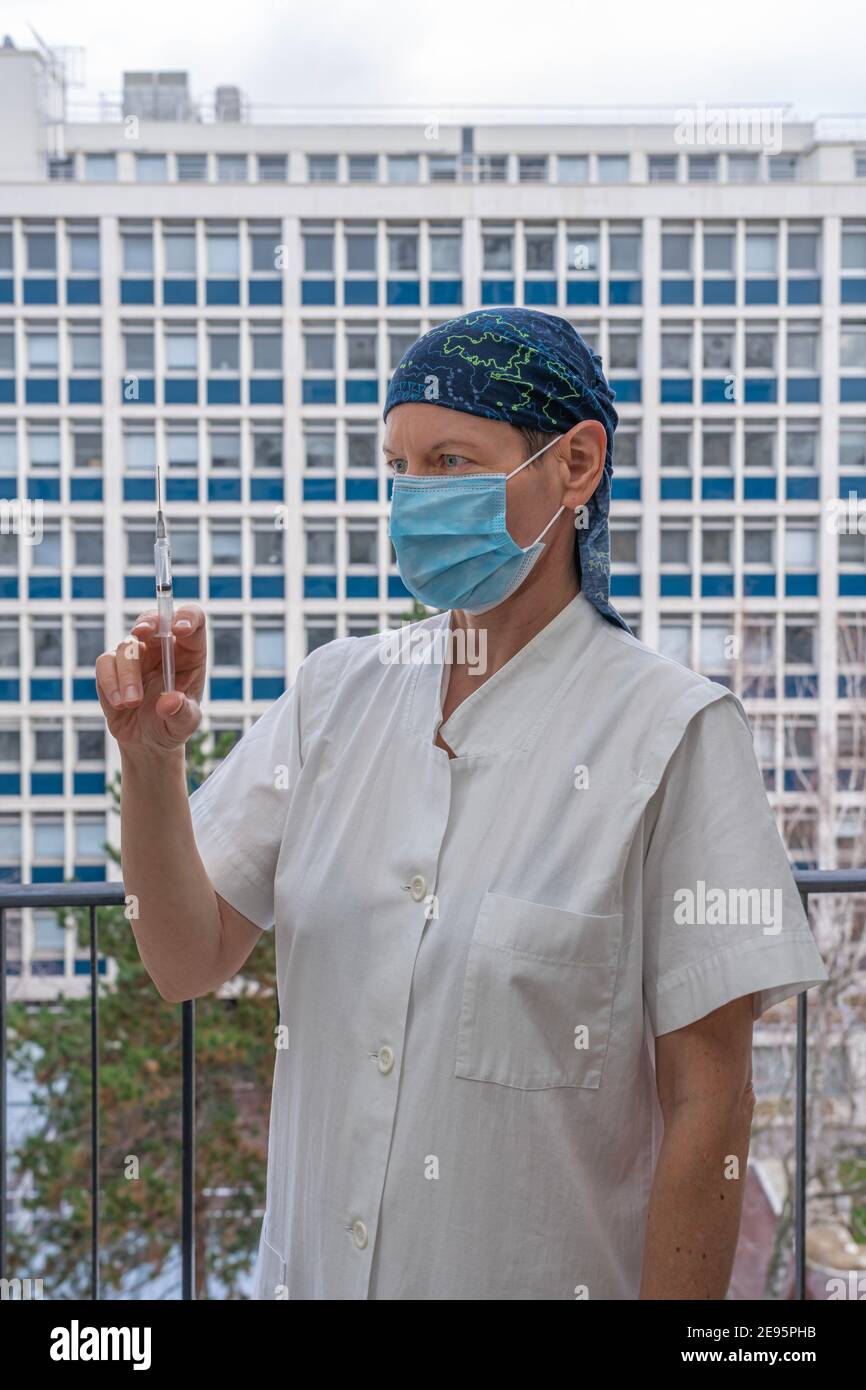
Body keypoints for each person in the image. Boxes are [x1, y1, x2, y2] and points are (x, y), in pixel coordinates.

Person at [98, 306, 828, 1301]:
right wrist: (149, 766)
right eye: (400, 467)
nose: (415, 498)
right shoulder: (332, 696)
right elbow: (185, 956)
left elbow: (709, 1105)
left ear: (575, 466)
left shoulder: (674, 733)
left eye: (450, 461)